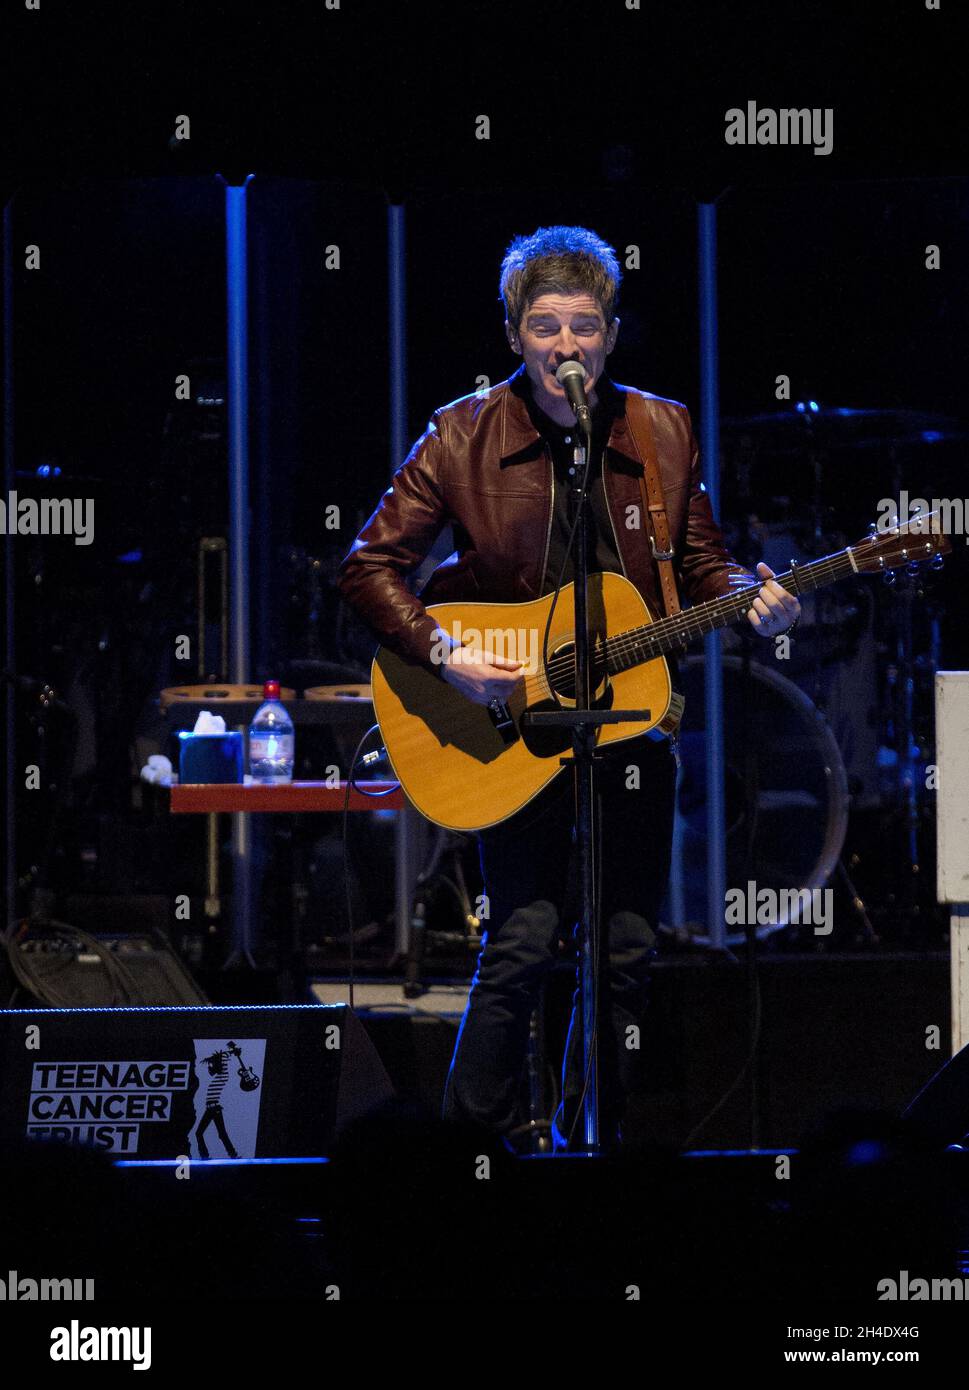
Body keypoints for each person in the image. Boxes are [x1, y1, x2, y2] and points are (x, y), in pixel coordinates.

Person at [338, 225, 800, 1150]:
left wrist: (754, 600)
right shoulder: (461, 432)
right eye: (543, 327)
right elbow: (367, 565)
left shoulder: (661, 429)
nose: (564, 347)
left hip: (628, 725)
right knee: (518, 942)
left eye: (583, 327)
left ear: (610, 336)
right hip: (509, 725)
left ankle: (599, 1149)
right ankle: (463, 1156)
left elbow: (702, 563)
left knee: (624, 950)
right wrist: (444, 654)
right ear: (514, 338)